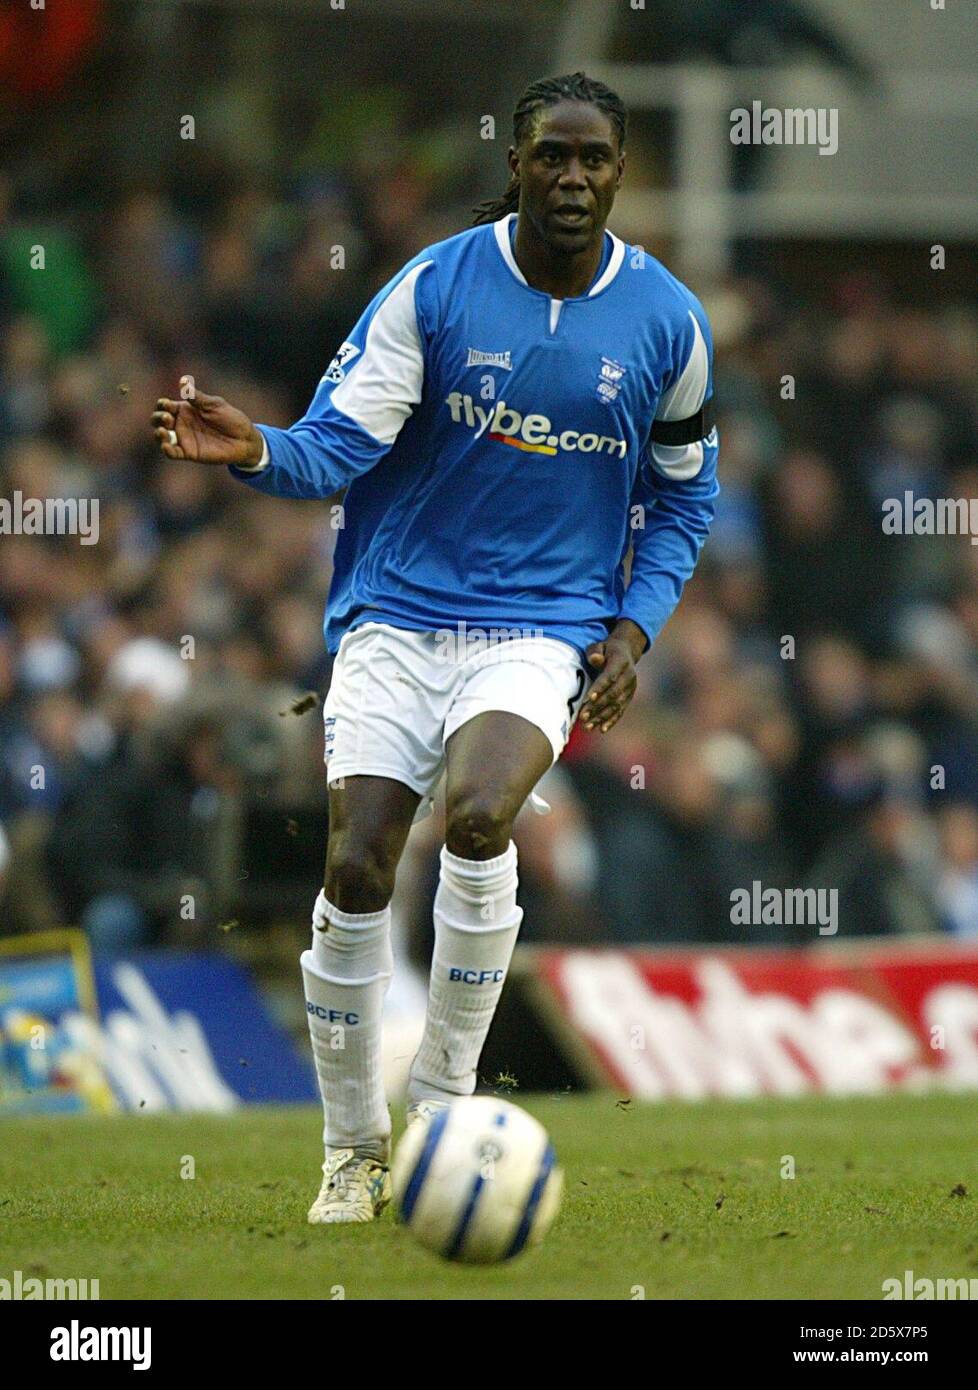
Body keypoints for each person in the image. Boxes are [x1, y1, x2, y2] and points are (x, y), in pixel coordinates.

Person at [152, 72, 719, 1226]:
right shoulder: (435, 288)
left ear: (619, 172)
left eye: (592, 159)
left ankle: (445, 1101)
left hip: (543, 622)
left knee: (478, 814)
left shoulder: (667, 322)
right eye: (549, 156)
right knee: (358, 868)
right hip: (398, 615)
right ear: (514, 163)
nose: (571, 177)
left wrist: (632, 623)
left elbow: (684, 500)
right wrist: (255, 446)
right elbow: (335, 450)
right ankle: (352, 1150)